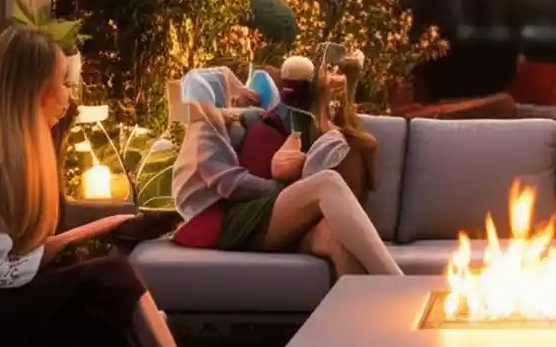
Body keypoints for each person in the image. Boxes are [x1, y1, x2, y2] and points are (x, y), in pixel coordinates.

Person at [0, 26, 279, 347]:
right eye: (62, 85)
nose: (68, 97)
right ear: (34, 88)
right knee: (110, 276)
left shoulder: (27, 146)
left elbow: (17, 252)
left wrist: (95, 229)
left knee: (100, 324)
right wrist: (81, 237)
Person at [171, 61, 402, 278]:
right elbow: (229, 183)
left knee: (333, 234)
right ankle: (397, 285)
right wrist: (284, 190)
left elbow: (238, 96)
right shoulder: (203, 128)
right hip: (228, 222)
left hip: (242, 216)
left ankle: (363, 317)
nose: (241, 103)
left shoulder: (228, 124)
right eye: (233, 96)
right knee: (326, 182)